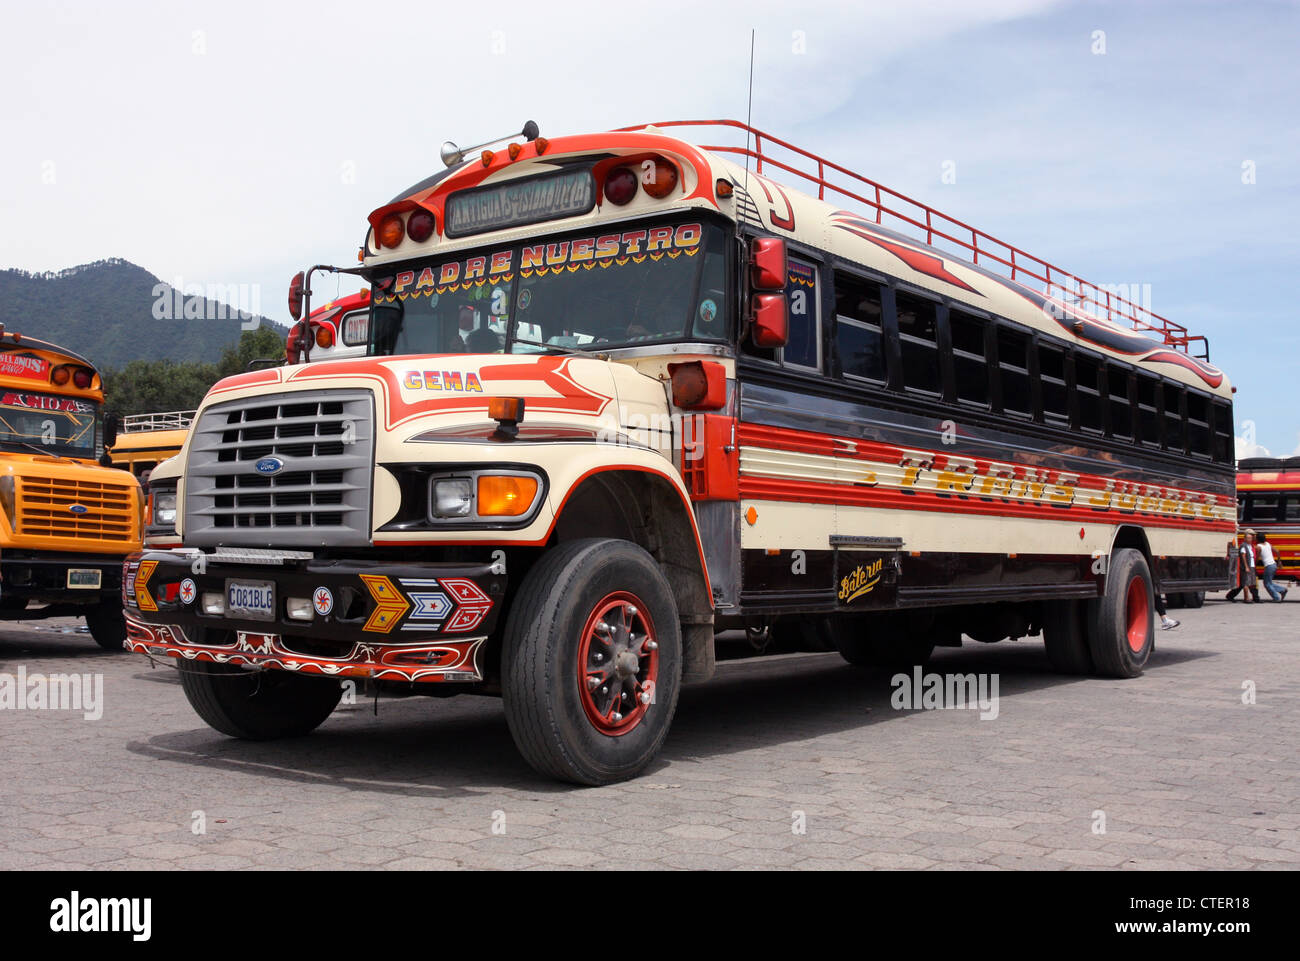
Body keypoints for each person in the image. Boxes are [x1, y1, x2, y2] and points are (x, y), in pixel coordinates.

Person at [1226, 529, 1259, 602]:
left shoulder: (1251, 546)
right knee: (1246, 582)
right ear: (1245, 538)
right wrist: (1246, 567)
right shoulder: (1244, 546)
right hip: (1246, 567)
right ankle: (1247, 598)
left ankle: (1230, 596)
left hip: (1252, 566)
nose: (1252, 538)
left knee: (1250, 582)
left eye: (1251, 537)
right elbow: (1243, 556)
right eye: (1250, 537)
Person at [1258, 532, 1287, 602]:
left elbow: (1257, 557)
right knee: (1268, 582)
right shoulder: (1268, 544)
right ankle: (1282, 590)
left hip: (1268, 566)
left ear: (1257, 539)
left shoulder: (1258, 546)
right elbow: (1277, 551)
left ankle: (1276, 598)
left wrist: (1254, 564)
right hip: (1274, 565)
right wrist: (1279, 561)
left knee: (1267, 584)